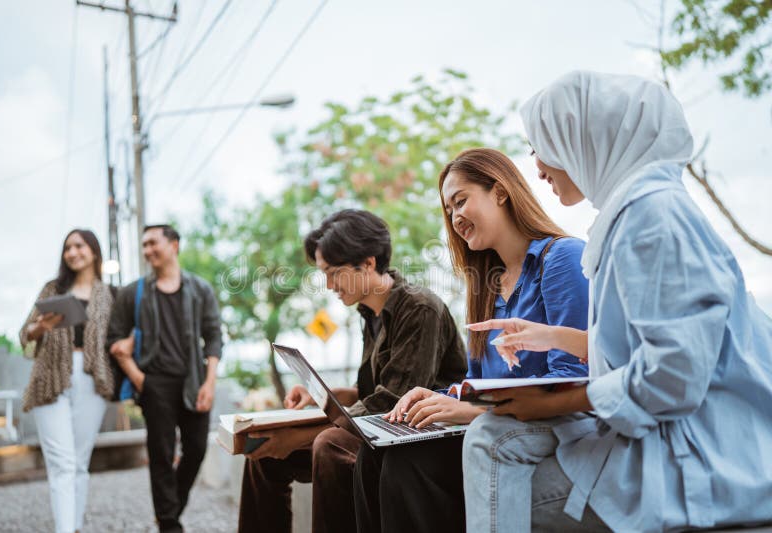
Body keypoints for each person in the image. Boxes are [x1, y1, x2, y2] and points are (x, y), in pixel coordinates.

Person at [462, 71, 772, 532]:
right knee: (488, 437)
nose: (539, 167)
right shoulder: (641, 212)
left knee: (491, 457)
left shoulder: (652, 218)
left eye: (543, 146)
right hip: (682, 444)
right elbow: (647, 346)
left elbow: (672, 376)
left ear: (586, 137)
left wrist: (547, 406)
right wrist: (552, 336)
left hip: (698, 468)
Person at [352, 148, 589, 533]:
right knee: (373, 452)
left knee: (409, 462)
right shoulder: (486, 287)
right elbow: (478, 382)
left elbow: (571, 379)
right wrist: (441, 397)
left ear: (499, 190)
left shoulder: (561, 258)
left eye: (461, 201)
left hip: (549, 428)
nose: (455, 218)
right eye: (448, 210)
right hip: (494, 423)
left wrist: (477, 414)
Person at [238, 209, 467, 533]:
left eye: (333, 272)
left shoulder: (418, 307)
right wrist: (320, 395)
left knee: (328, 444)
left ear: (368, 263)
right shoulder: (369, 312)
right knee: (264, 454)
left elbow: (393, 403)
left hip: (420, 438)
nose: (328, 285)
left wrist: (299, 436)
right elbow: (373, 392)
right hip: (379, 427)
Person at [106, 224, 222, 533]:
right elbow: (114, 339)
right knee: (161, 454)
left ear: (174, 245)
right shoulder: (134, 292)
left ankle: (169, 510)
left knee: (196, 448)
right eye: (143, 245)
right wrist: (139, 379)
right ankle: (170, 524)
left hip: (194, 380)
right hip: (154, 382)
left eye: (153, 243)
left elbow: (213, 337)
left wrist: (209, 383)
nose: (147, 250)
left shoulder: (200, 289)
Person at [19, 229, 115, 533]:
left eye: (79, 246)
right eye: (67, 248)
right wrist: (40, 327)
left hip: (93, 379)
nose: (72, 252)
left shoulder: (109, 294)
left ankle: (72, 527)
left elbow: (117, 339)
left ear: (94, 251)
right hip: (50, 378)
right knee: (61, 462)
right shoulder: (52, 289)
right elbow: (25, 335)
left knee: (79, 463)